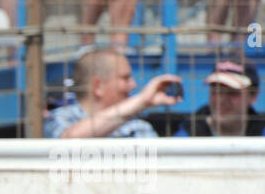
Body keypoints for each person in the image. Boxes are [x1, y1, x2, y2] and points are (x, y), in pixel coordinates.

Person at [44, 47, 180, 137]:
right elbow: (67, 143)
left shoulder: (137, 127)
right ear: (98, 86)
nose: (133, 85)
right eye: (125, 78)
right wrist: (142, 100)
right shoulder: (62, 117)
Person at [173, 60, 265, 136]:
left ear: (253, 96)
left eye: (232, 92)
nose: (221, 100)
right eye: (216, 91)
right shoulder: (187, 135)